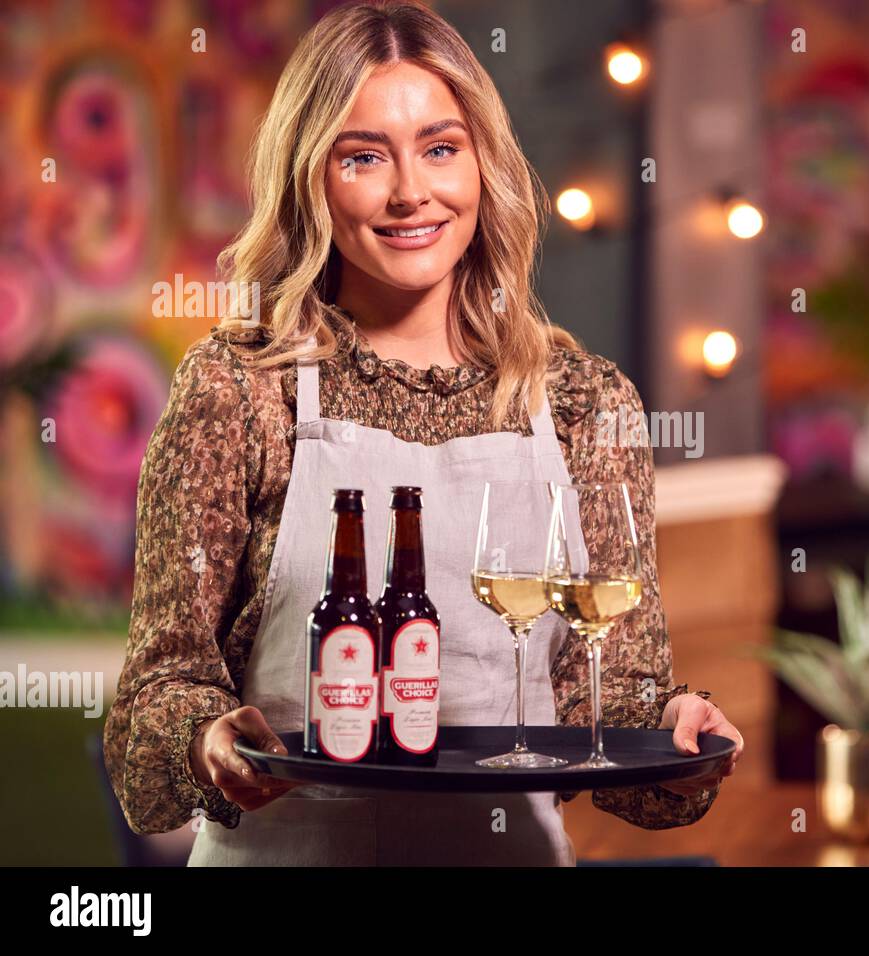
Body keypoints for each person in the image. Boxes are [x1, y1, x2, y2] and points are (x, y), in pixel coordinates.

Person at [103, 0, 742, 866]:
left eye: (441, 148)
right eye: (364, 157)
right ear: (312, 177)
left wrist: (676, 732)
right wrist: (206, 739)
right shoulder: (240, 392)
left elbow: (614, 712)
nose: (412, 192)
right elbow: (153, 701)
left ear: (484, 163)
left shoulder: (587, 403)